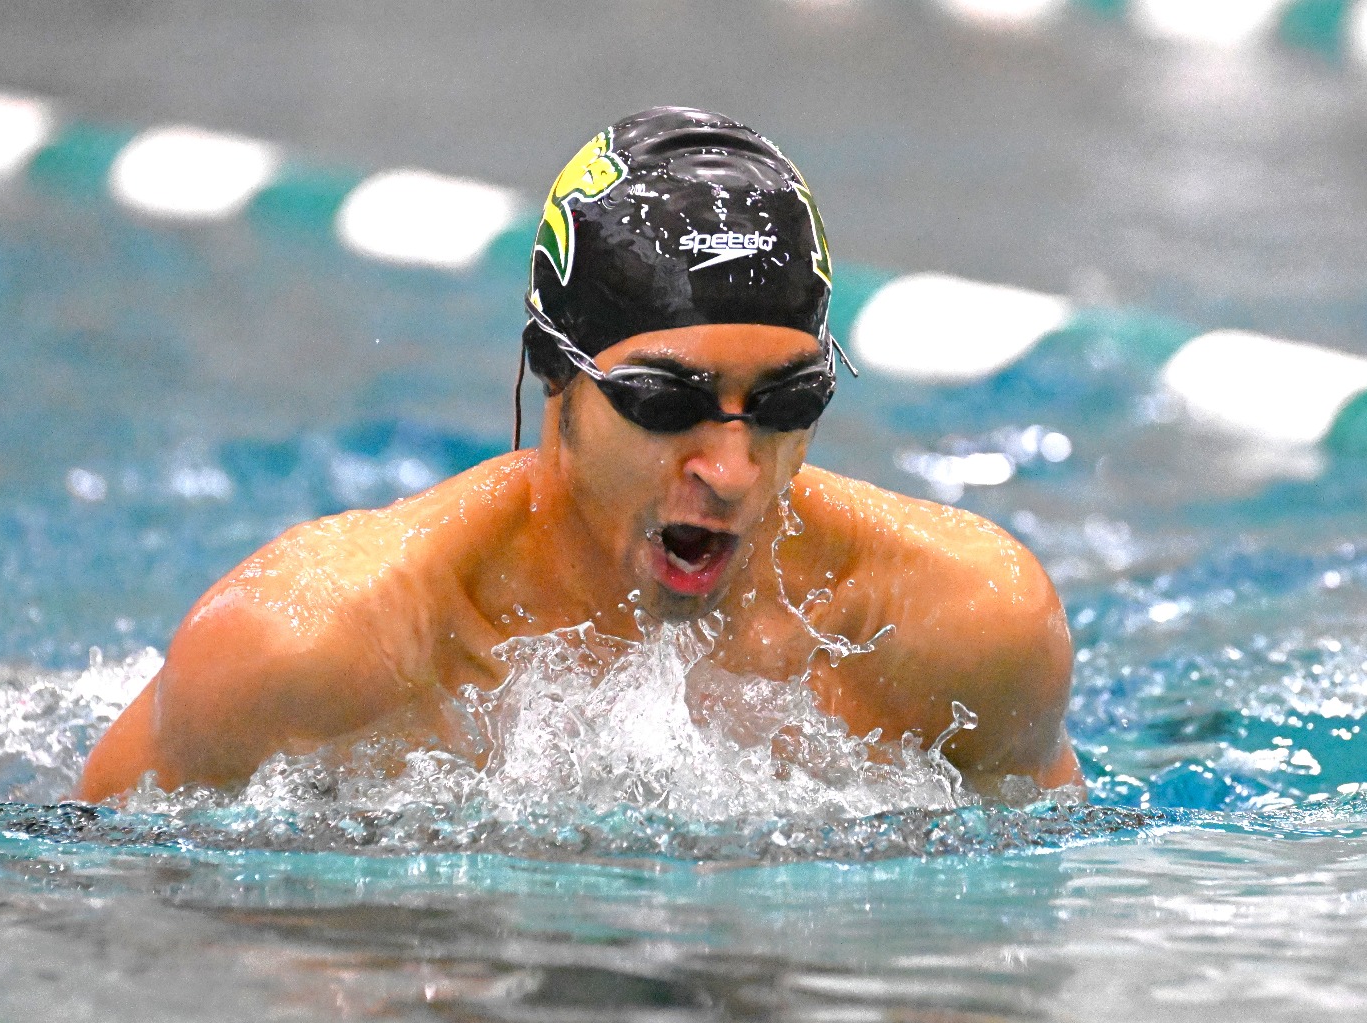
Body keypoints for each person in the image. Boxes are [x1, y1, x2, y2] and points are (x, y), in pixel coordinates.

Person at [77, 107, 1078, 802]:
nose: (731, 470)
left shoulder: (962, 627)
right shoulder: (317, 648)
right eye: (662, 401)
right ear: (553, 375)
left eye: (786, 402)